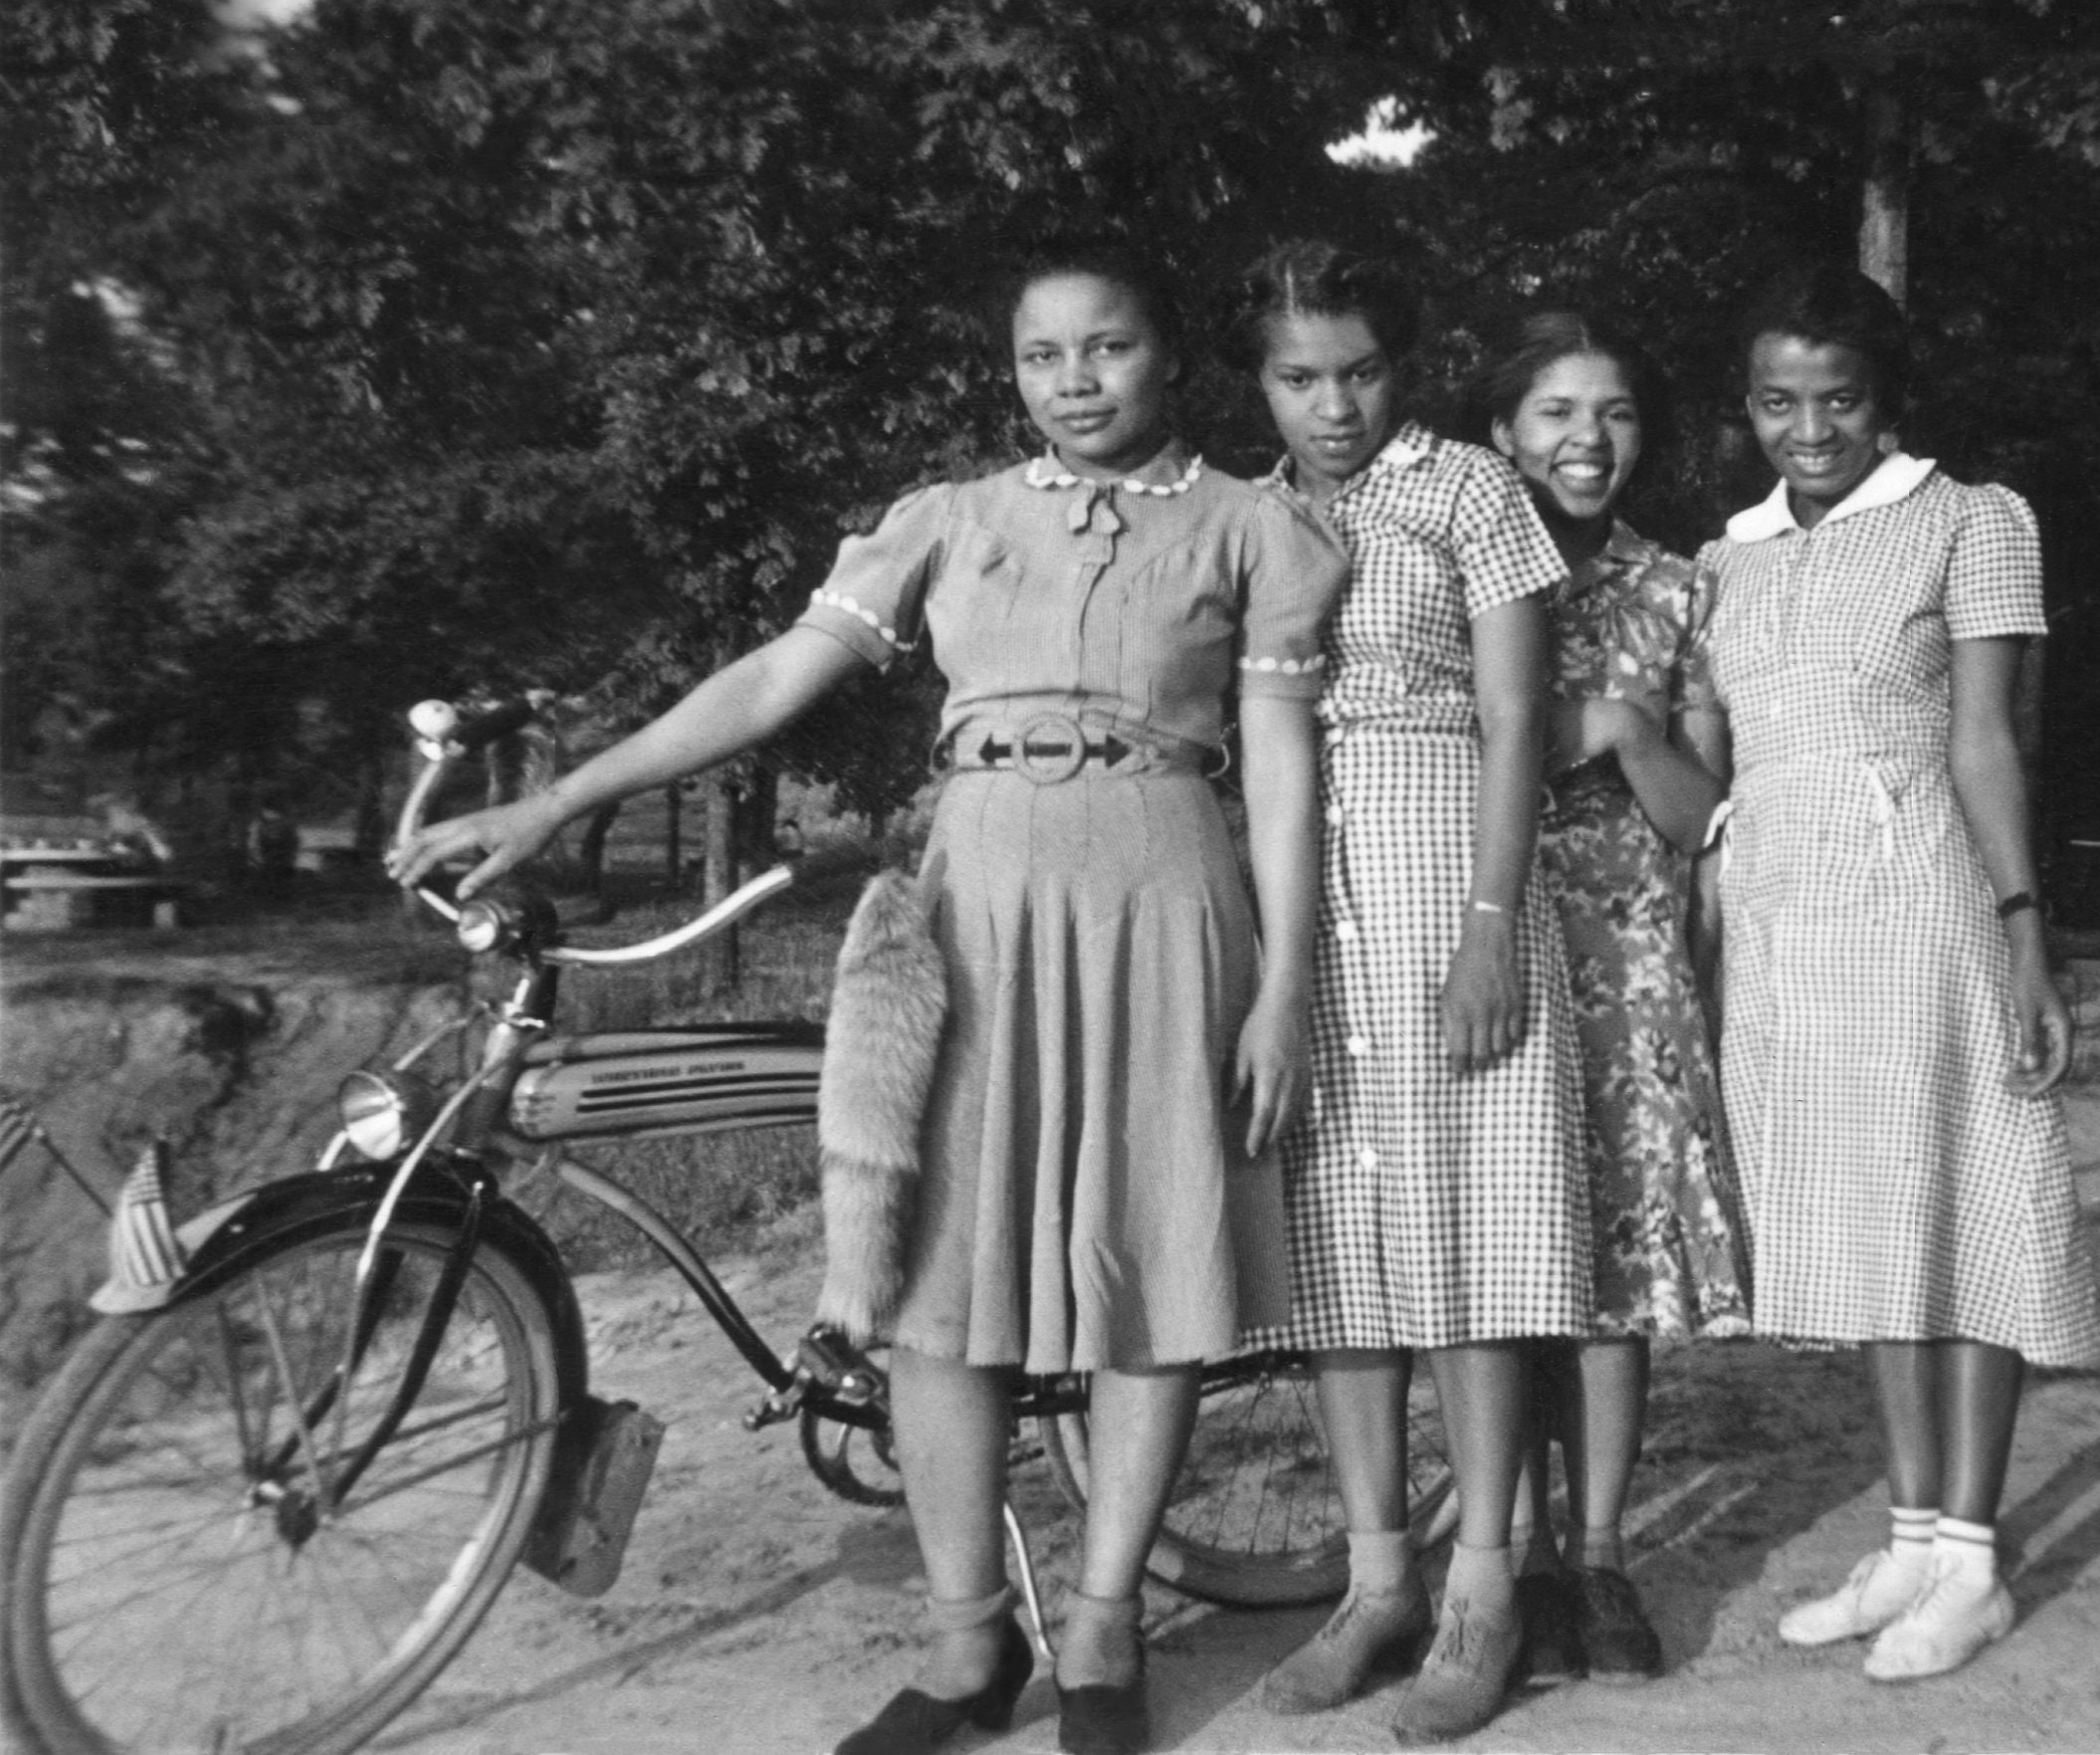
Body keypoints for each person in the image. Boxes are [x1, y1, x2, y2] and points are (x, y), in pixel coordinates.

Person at [393, 244, 1344, 1755]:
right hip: (971, 904)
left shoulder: (1256, 529)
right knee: (931, 1291)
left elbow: (1280, 768)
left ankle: (1102, 1634)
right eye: (1044, 356)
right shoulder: (947, 523)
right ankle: (971, 1645)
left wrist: (1283, 982)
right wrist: (560, 797)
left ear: (1167, 355)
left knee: (1150, 1272)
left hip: (1166, 897)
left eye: (1107, 347)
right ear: (1015, 374)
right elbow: (776, 677)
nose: (1076, 380)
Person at [1699, 262, 2100, 1683]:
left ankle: (1974, 1563)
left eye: (1840, 398)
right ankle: (1914, 1537)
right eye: (1777, 401)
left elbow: (1988, 739)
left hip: (1923, 902)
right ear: (1748, 407)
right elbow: (1709, 769)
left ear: (1886, 399)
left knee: (1967, 1202)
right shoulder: (1727, 558)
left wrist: (2024, 927)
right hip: (1786, 924)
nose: (1809, 428)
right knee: (1873, 1226)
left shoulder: (1970, 521)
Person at [1233, 242, 1591, 1742]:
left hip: (1450, 865)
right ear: (1260, 378)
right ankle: (1379, 1580)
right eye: (1301, 376)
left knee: (1476, 1241)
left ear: (1408, 363)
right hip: (1304, 908)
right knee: (1342, 1251)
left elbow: (1520, 721)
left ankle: (1487, 1588)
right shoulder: (1248, 515)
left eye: (1363, 370)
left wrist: (1493, 922)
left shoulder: (1470, 493)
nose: (1335, 404)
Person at [1471, 310, 1749, 1686]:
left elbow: (1704, 817)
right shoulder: (1445, 568)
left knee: (1612, 1275)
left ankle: (1598, 1555)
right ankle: (1504, 1556)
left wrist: (1627, 728)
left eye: (1617, 413)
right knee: (1499, 1263)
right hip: (1484, 943)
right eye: (1556, 413)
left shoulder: (1678, 586)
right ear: (1501, 434)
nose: (1589, 440)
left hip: (1625, 959)